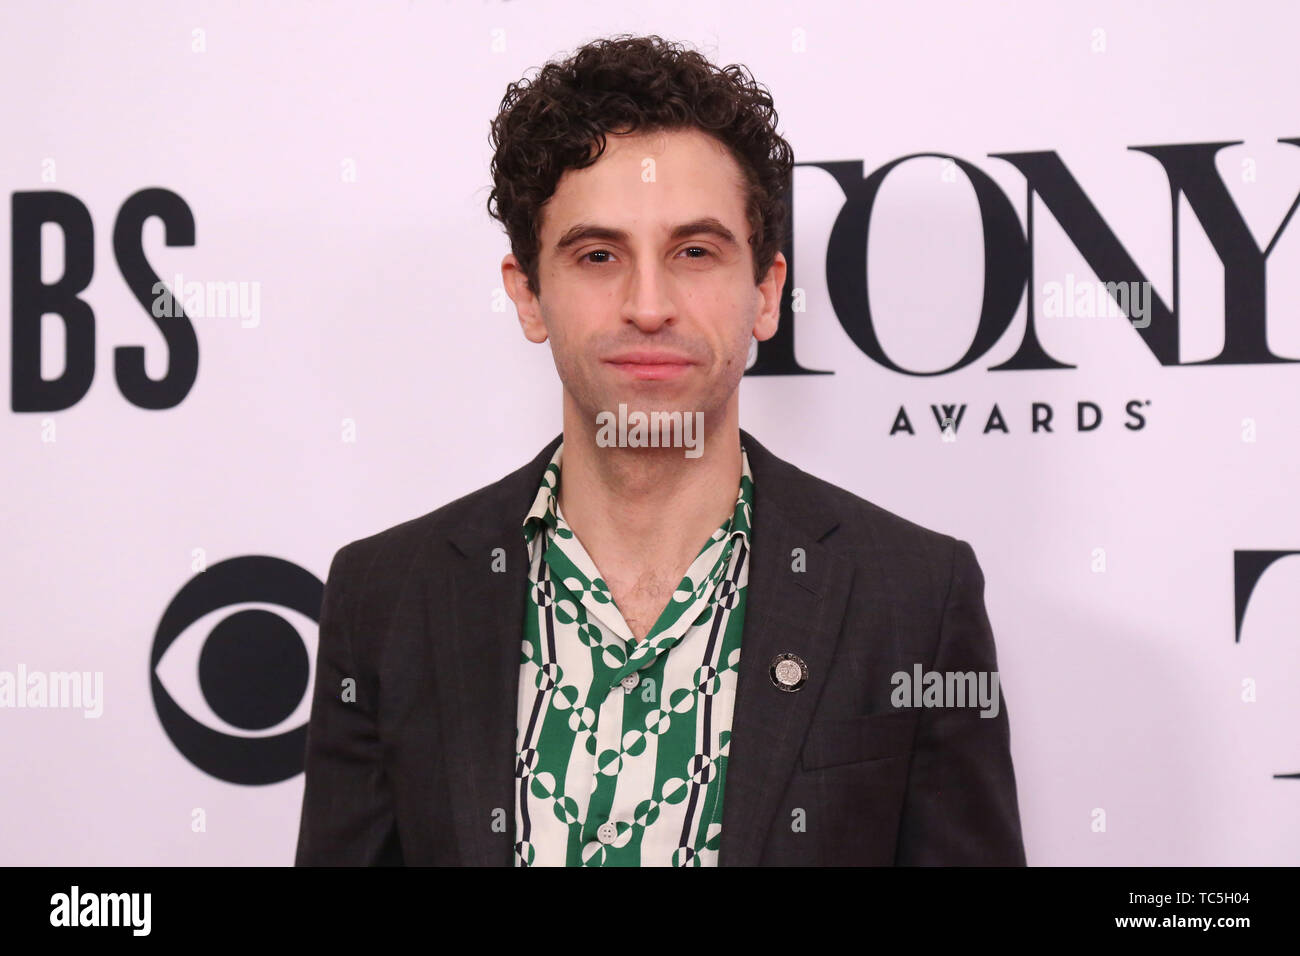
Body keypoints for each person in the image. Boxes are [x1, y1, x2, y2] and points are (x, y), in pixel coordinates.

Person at [295, 33, 1025, 867]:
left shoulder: (914, 600)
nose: (648, 305)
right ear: (529, 296)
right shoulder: (387, 598)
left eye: (695, 252)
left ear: (766, 292)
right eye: (598, 255)